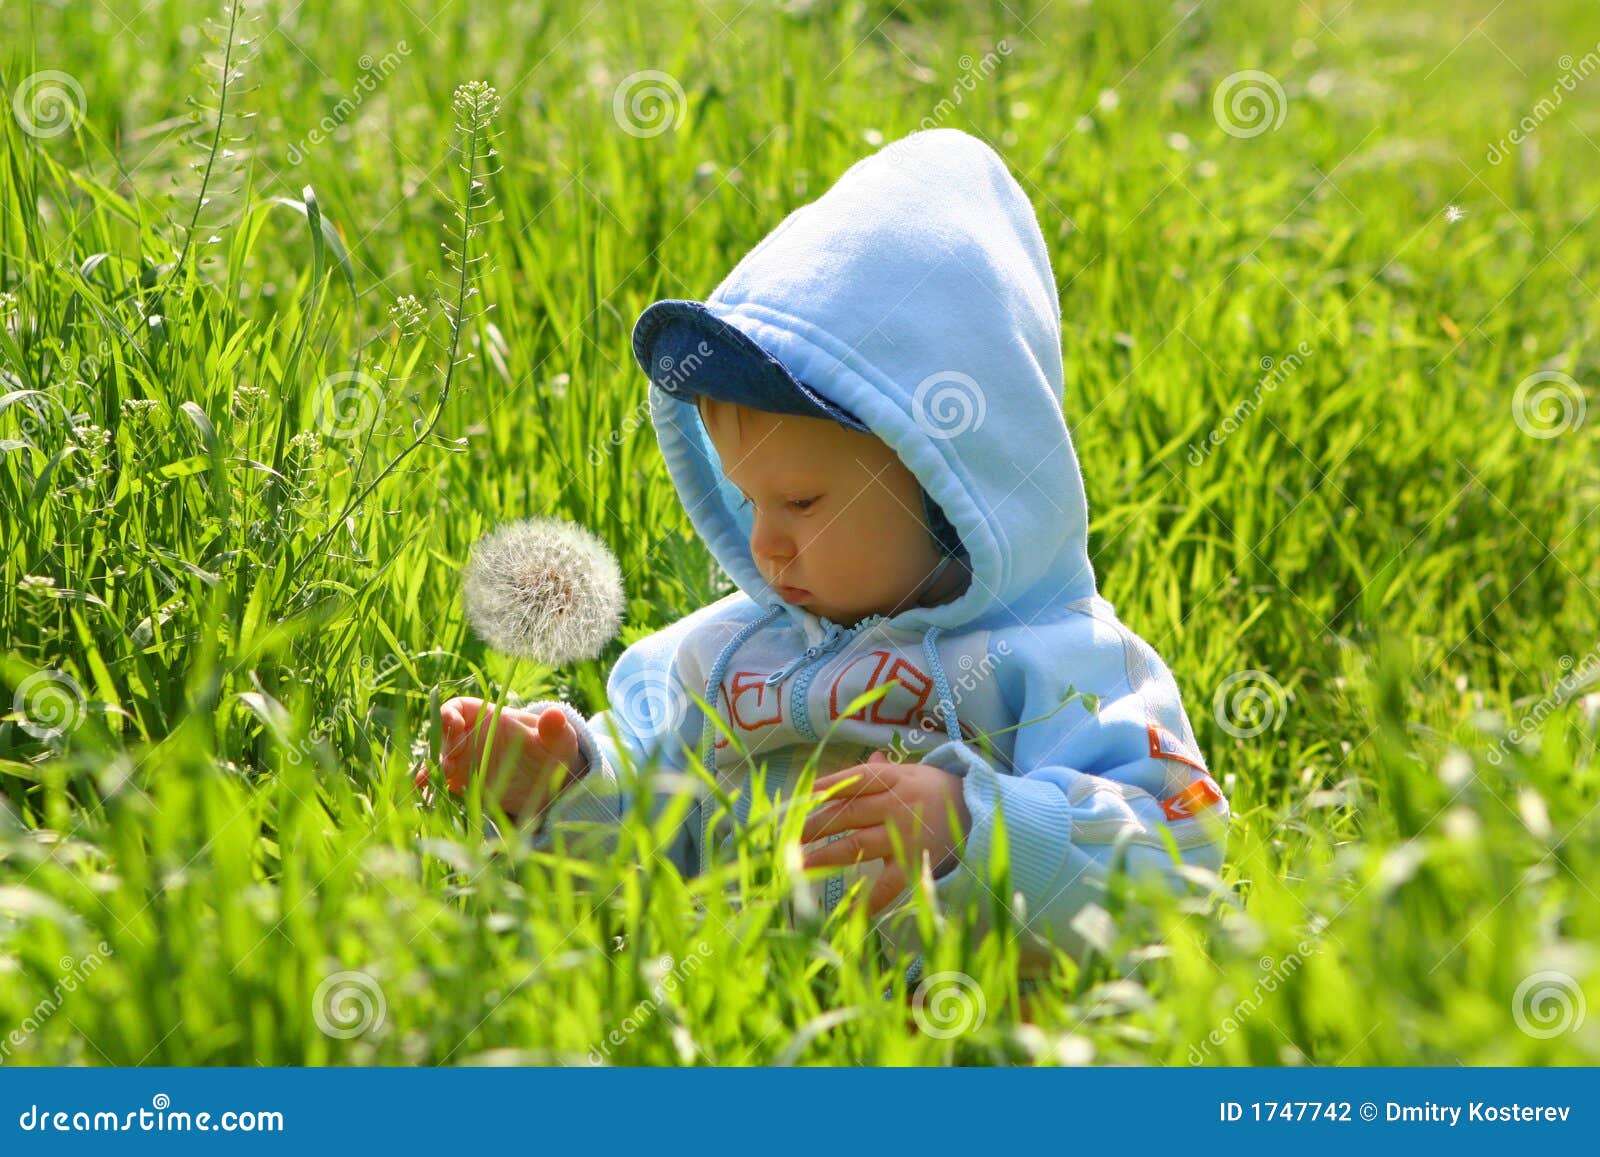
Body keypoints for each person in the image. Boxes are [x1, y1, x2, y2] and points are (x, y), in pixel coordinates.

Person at [419, 128, 1229, 979]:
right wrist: (565, 782)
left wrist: (978, 825)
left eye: (801, 501)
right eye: (749, 498)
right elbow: (656, 836)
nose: (764, 540)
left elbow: (1178, 849)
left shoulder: (1057, 663)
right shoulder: (719, 656)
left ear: (947, 482)